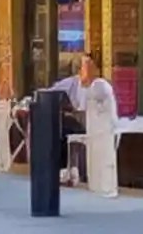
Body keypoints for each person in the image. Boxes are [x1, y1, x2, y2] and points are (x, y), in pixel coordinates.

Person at [47, 53, 118, 193]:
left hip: (96, 125)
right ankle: (63, 168)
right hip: (78, 121)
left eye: (87, 66)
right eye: (82, 66)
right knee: (59, 125)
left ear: (95, 69)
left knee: (64, 125)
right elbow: (52, 92)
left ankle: (70, 169)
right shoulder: (73, 82)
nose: (83, 69)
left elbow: (95, 110)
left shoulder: (100, 86)